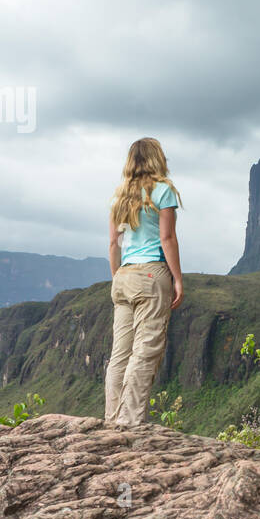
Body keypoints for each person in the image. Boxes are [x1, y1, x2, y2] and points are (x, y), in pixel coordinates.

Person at [104, 137, 184, 426]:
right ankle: (131, 425)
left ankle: (112, 421)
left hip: (123, 276)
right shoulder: (163, 192)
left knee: (119, 355)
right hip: (151, 274)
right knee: (144, 352)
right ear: (157, 159)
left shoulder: (119, 198)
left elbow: (114, 244)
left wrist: (118, 278)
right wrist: (177, 279)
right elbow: (167, 238)